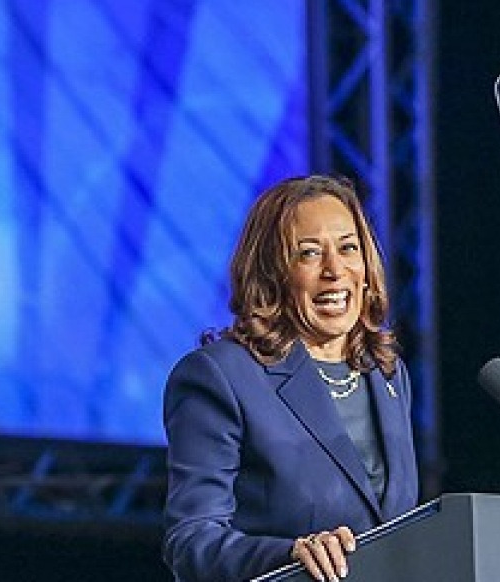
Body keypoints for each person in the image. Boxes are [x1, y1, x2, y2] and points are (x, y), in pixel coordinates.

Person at [162, 175, 420, 582]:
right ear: (272, 274)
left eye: (348, 248)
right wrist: (289, 555)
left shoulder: (386, 372)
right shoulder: (221, 376)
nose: (335, 270)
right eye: (309, 253)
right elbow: (193, 541)